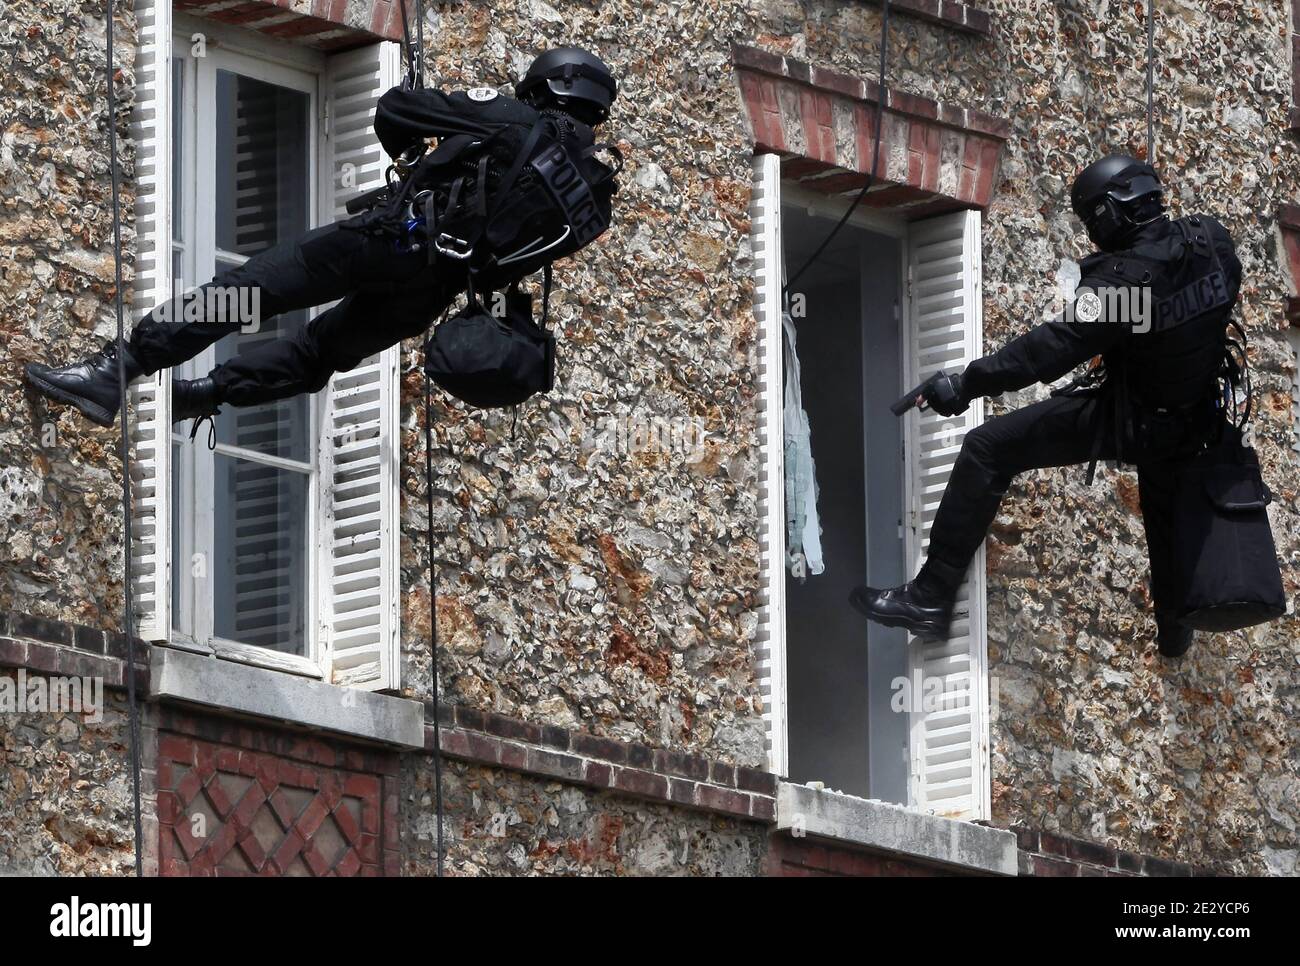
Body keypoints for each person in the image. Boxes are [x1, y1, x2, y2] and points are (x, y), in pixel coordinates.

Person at [26, 46, 620, 430]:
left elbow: (396, 109)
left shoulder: (516, 121)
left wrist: (420, 146)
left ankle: (117, 370)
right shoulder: (592, 196)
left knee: (246, 292)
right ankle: (209, 393)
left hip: (390, 239)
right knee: (321, 353)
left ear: (544, 86)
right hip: (430, 292)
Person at [850, 155, 1243, 658]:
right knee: (1164, 515)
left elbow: (1046, 351)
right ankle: (1174, 636)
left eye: (1091, 221)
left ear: (1109, 214)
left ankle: (929, 597)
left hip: (1134, 420)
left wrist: (965, 384)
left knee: (988, 447)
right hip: (1195, 422)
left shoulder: (1126, 287)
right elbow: (1201, 301)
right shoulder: (1212, 242)